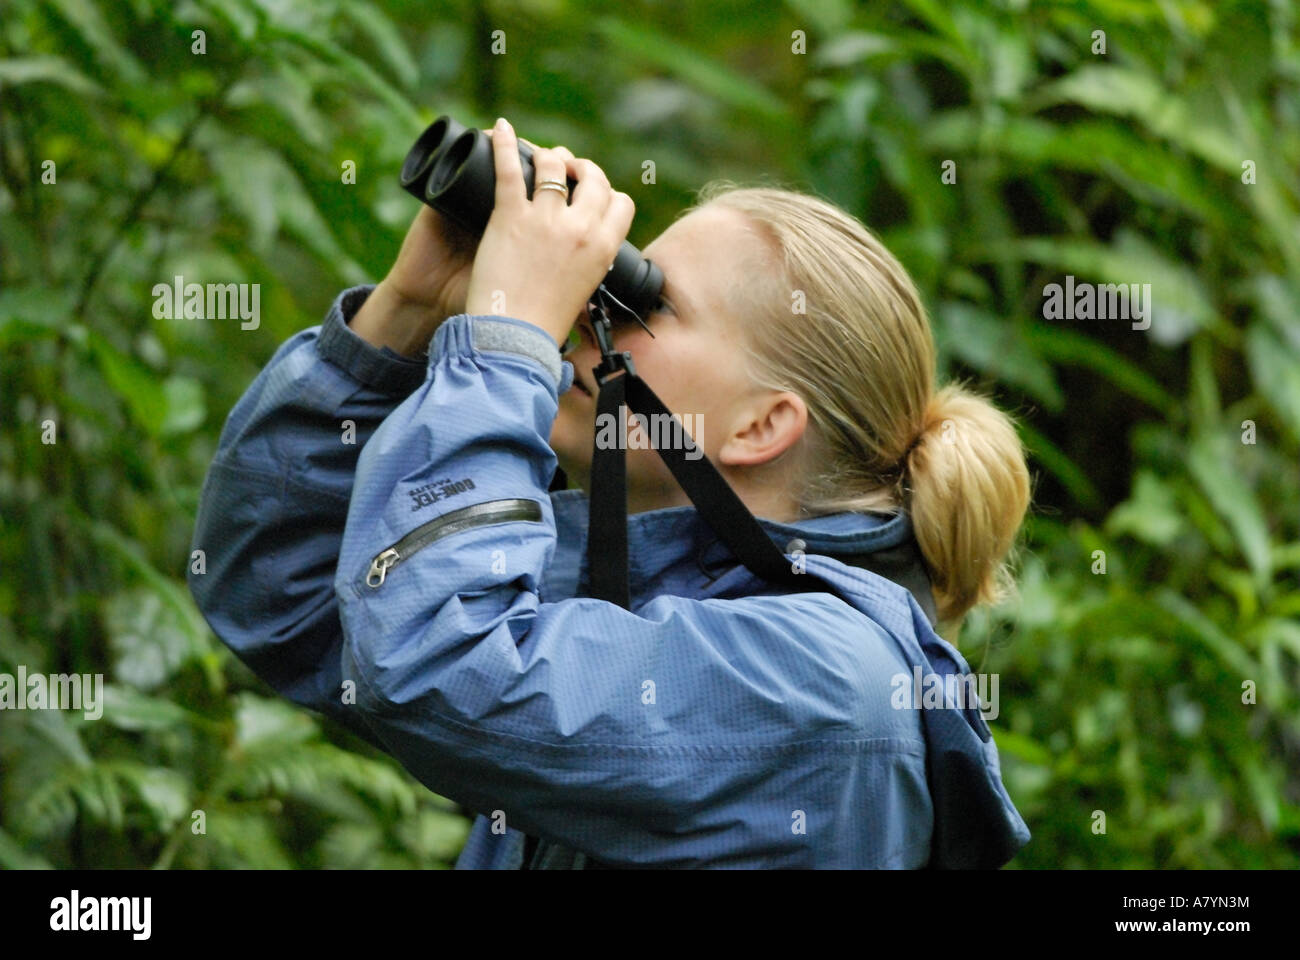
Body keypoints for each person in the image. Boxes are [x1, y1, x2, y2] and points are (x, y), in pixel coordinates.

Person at [188, 117, 1032, 868]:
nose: (587, 319)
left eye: (636, 304)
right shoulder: (639, 599)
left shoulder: (819, 686)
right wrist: (410, 310)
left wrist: (505, 341)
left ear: (758, 427)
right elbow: (280, 585)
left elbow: (440, 662)